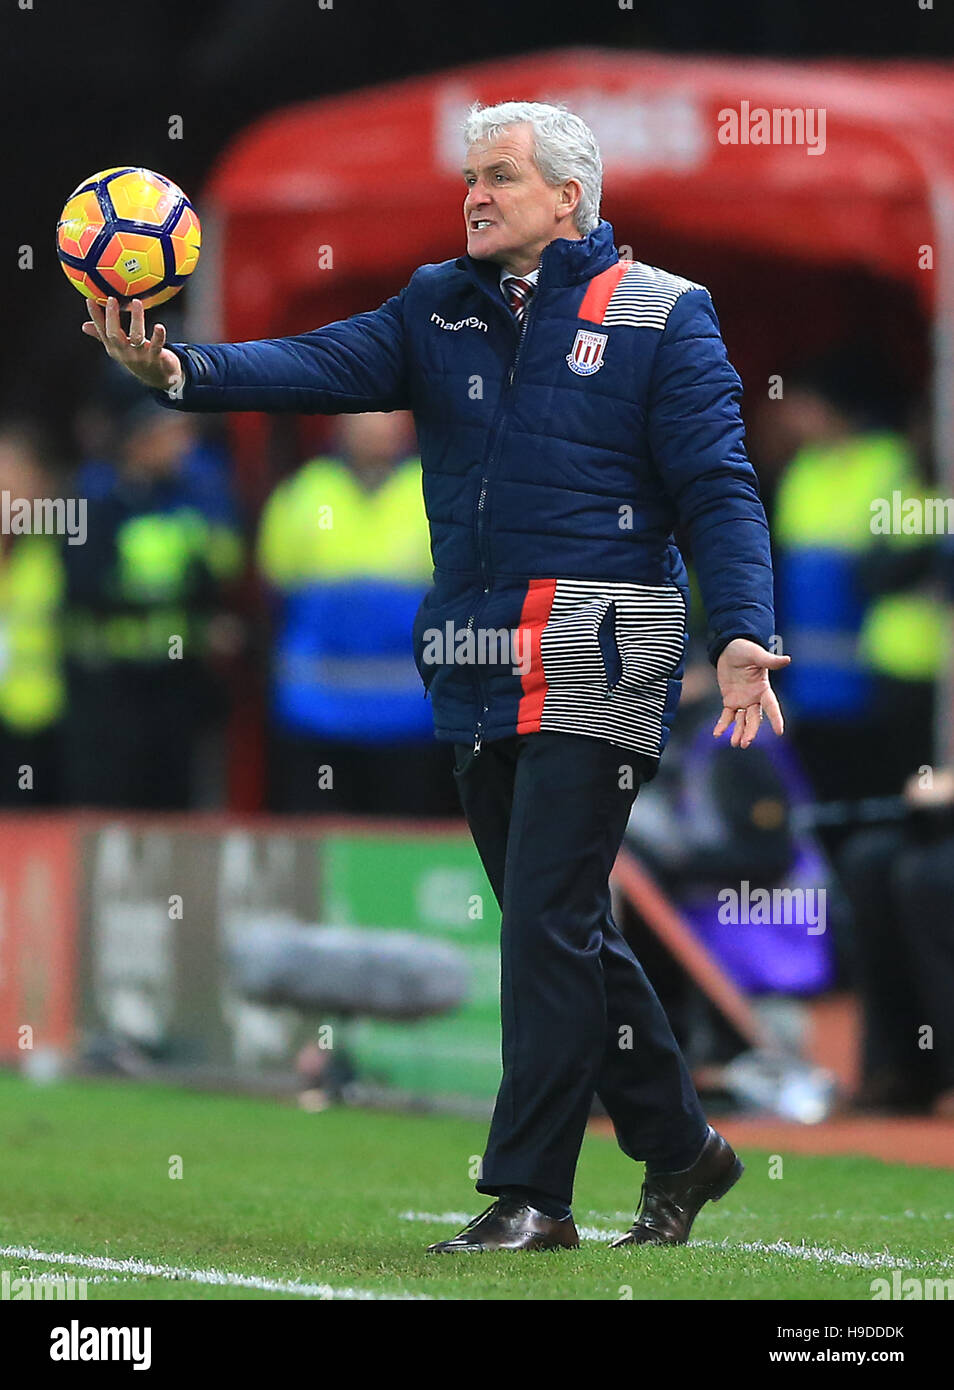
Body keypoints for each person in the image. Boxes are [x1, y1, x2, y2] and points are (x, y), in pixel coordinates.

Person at [82, 100, 788, 1252]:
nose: (474, 194)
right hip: (474, 652)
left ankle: (533, 1196)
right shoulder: (436, 305)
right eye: (469, 176)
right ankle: (682, 1147)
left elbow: (718, 485)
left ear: (571, 198)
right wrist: (174, 365)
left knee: (547, 924)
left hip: (605, 640)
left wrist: (742, 630)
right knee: (557, 925)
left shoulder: (668, 315)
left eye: (499, 176)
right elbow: (315, 366)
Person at [257, 410, 457, 816]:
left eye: (386, 420)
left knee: (401, 844)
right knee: (320, 840)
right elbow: (273, 589)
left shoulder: (436, 491)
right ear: (339, 427)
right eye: (363, 421)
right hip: (315, 714)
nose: (375, 432)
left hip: (412, 721)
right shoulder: (302, 494)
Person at [63, 399, 243, 809]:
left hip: (178, 680)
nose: (183, 448)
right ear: (138, 442)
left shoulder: (195, 496)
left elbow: (214, 577)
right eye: (171, 436)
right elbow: (85, 588)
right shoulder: (94, 499)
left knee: (175, 798)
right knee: (111, 798)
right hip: (110, 684)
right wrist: (167, 600)